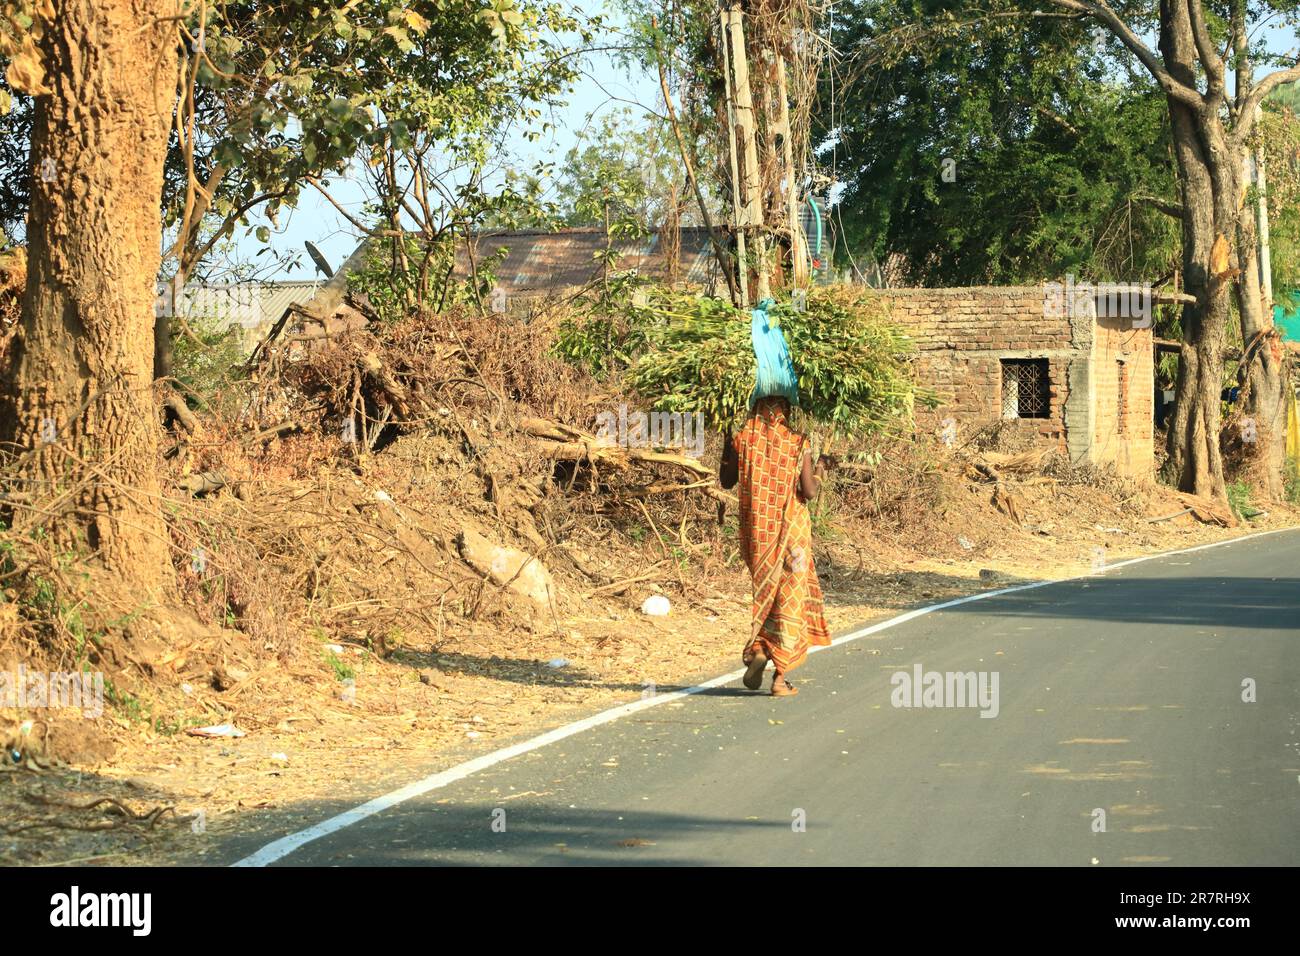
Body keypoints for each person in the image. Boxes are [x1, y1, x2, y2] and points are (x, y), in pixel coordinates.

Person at [720, 396, 832, 696]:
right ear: (785, 411)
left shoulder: (743, 439)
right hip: (794, 540)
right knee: (791, 598)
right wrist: (820, 467)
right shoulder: (797, 442)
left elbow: (726, 480)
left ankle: (760, 649)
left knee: (769, 596)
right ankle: (780, 677)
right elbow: (807, 492)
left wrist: (725, 440)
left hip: (760, 539)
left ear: (756, 409)